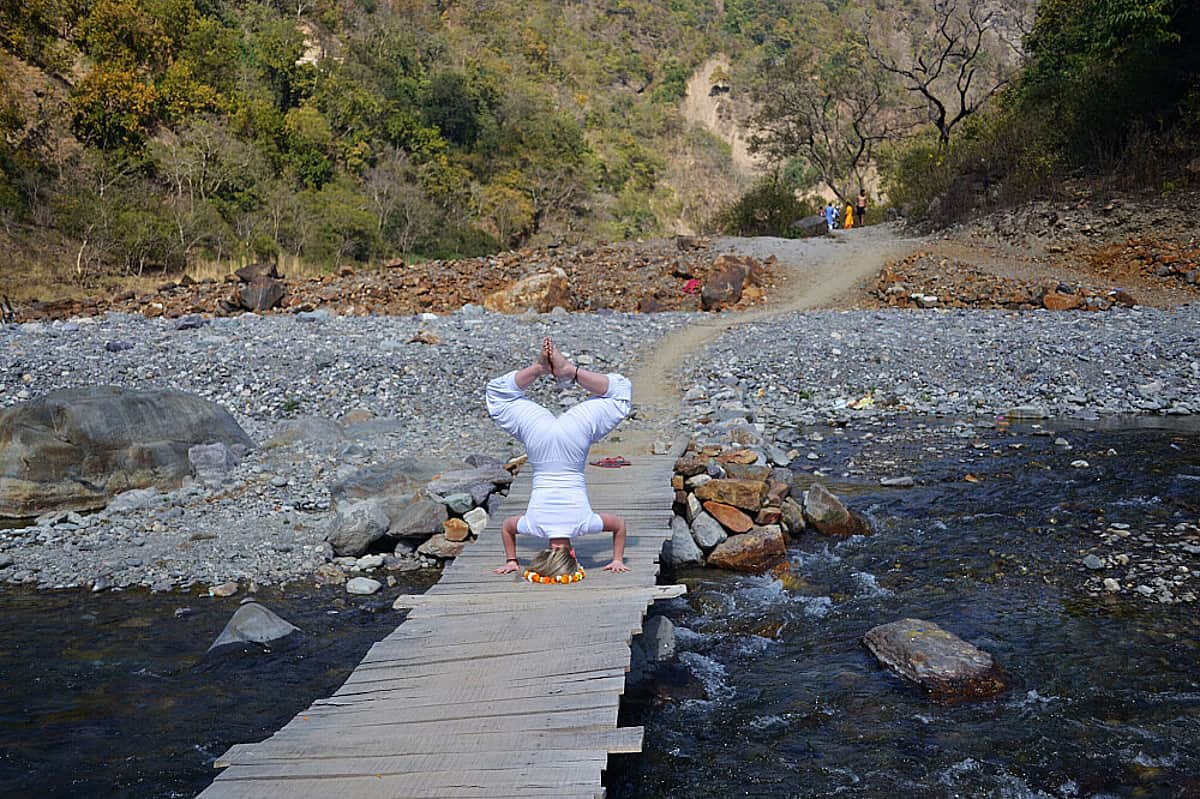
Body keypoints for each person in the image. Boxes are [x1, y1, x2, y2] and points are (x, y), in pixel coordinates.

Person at [486, 338, 632, 580]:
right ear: (546, 552)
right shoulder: (533, 526)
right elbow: (507, 527)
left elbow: (619, 525)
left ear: (573, 552)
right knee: (498, 395)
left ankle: (568, 371)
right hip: (539, 440)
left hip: (573, 439)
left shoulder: (584, 524)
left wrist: (616, 558)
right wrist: (512, 560)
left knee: (620, 396)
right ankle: (540, 369)